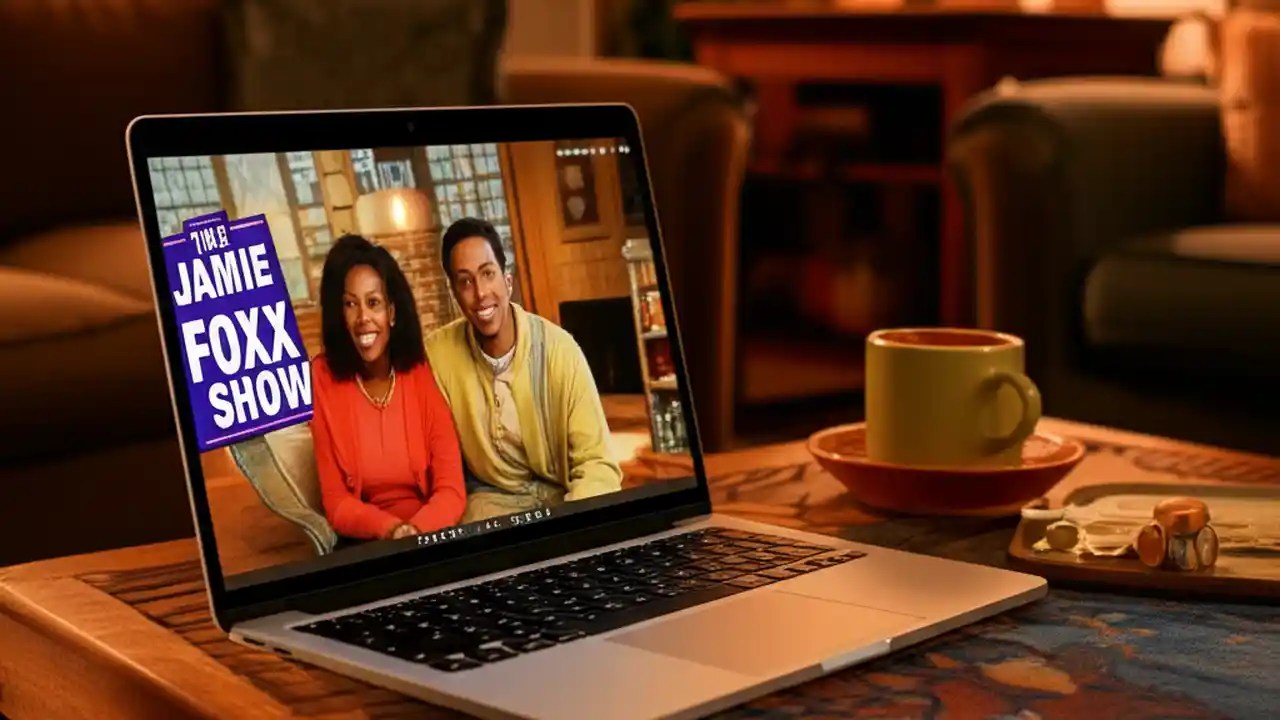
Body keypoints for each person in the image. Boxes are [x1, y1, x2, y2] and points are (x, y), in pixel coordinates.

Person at [426, 218, 623, 523]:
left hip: (563, 498)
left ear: (507, 280)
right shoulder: (438, 355)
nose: (480, 293)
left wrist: (569, 525)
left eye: (487, 274)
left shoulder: (560, 350)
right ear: (454, 293)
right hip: (491, 505)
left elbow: (598, 464)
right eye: (465, 281)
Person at [310, 234, 466, 542]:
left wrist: (416, 533)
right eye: (350, 304)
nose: (363, 318)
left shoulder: (423, 371)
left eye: (374, 303)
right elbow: (336, 501)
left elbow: (452, 490)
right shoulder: (322, 377)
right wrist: (391, 530)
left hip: (430, 531)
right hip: (368, 539)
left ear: (392, 313)